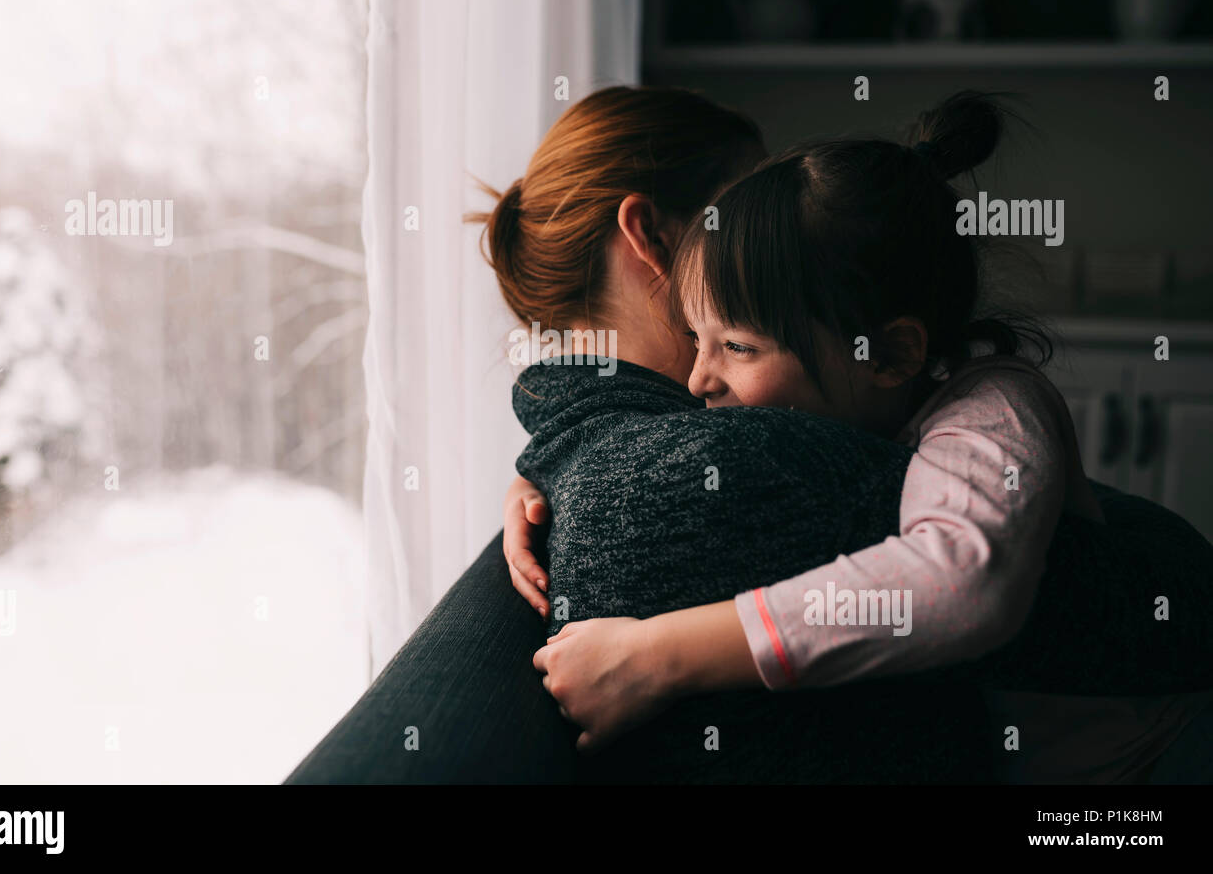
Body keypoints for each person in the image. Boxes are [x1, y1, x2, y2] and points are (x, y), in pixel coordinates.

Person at [489, 86, 1213, 782]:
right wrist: (545, 470)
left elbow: (961, 581)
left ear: (892, 353)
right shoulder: (792, 428)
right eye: (695, 337)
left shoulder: (993, 406)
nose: (698, 383)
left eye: (735, 345)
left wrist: (657, 655)